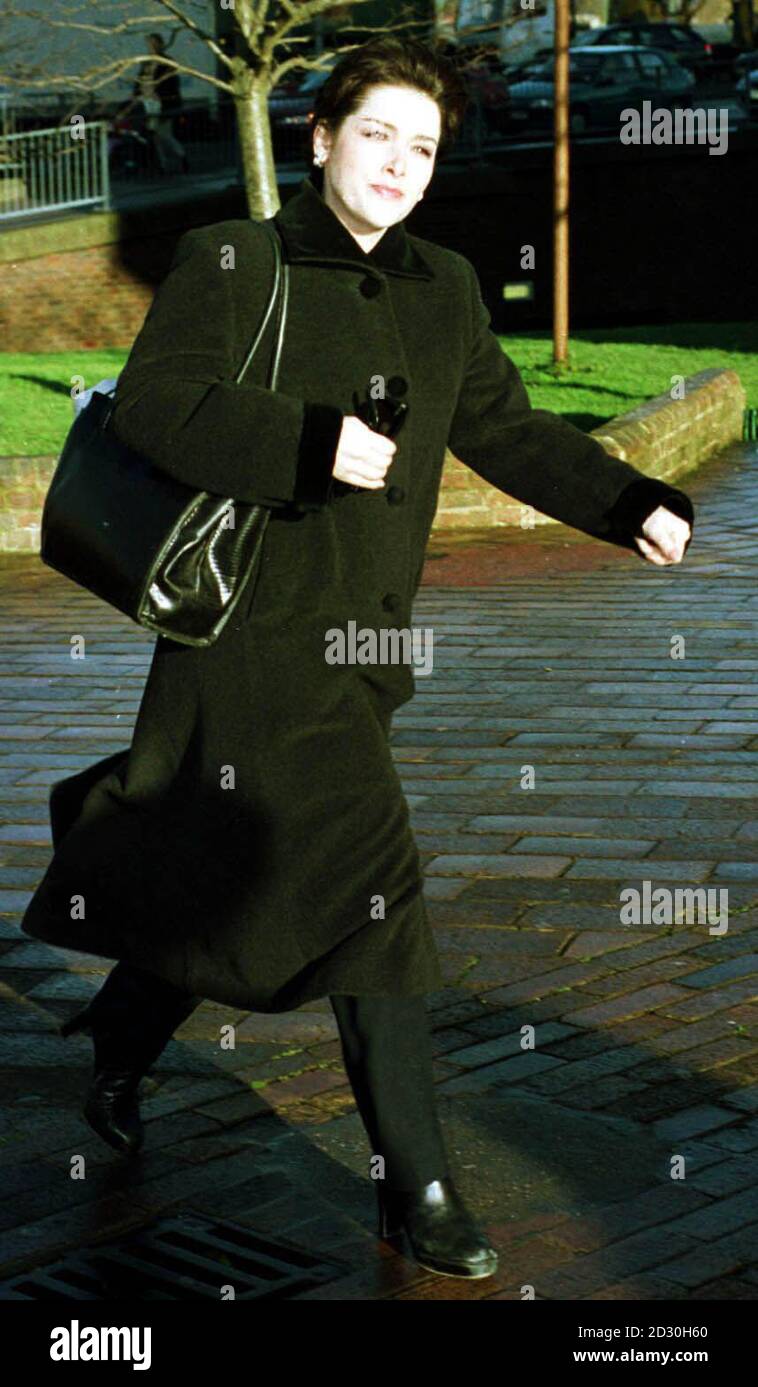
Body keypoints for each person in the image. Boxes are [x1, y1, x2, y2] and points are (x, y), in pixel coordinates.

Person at [21, 35, 694, 1284]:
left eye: (423, 146)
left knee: (239, 871)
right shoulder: (235, 259)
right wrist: (306, 440)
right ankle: (414, 1186)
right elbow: (159, 402)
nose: (399, 162)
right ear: (319, 138)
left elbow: (499, 423)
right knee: (373, 889)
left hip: (361, 645)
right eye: (376, 133)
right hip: (244, 638)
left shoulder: (439, 284)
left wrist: (624, 499)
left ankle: (121, 1029)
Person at [133, 31, 188, 175]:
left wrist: (161, 96)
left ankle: (180, 155)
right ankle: (162, 164)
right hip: (148, 103)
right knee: (154, 135)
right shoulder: (147, 63)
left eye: (153, 43)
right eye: (149, 44)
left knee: (163, 134)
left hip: (163, 104)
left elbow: (171, 84)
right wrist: (137, 94)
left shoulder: (167, 62)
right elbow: (140, 81)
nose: (150, 47)